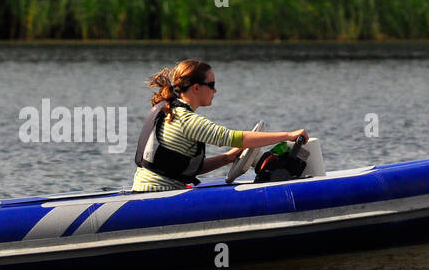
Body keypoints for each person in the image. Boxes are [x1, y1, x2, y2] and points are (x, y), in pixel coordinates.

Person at [131, 59, 307, 192]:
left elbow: (186, 168)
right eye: (212, 85)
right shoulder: (187, 120)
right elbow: (234, 137)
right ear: (196, 88)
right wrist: (288, 135)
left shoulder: (171, 111)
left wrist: (227, 158)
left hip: (145, 190)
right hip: (160, 194)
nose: (215, 91)